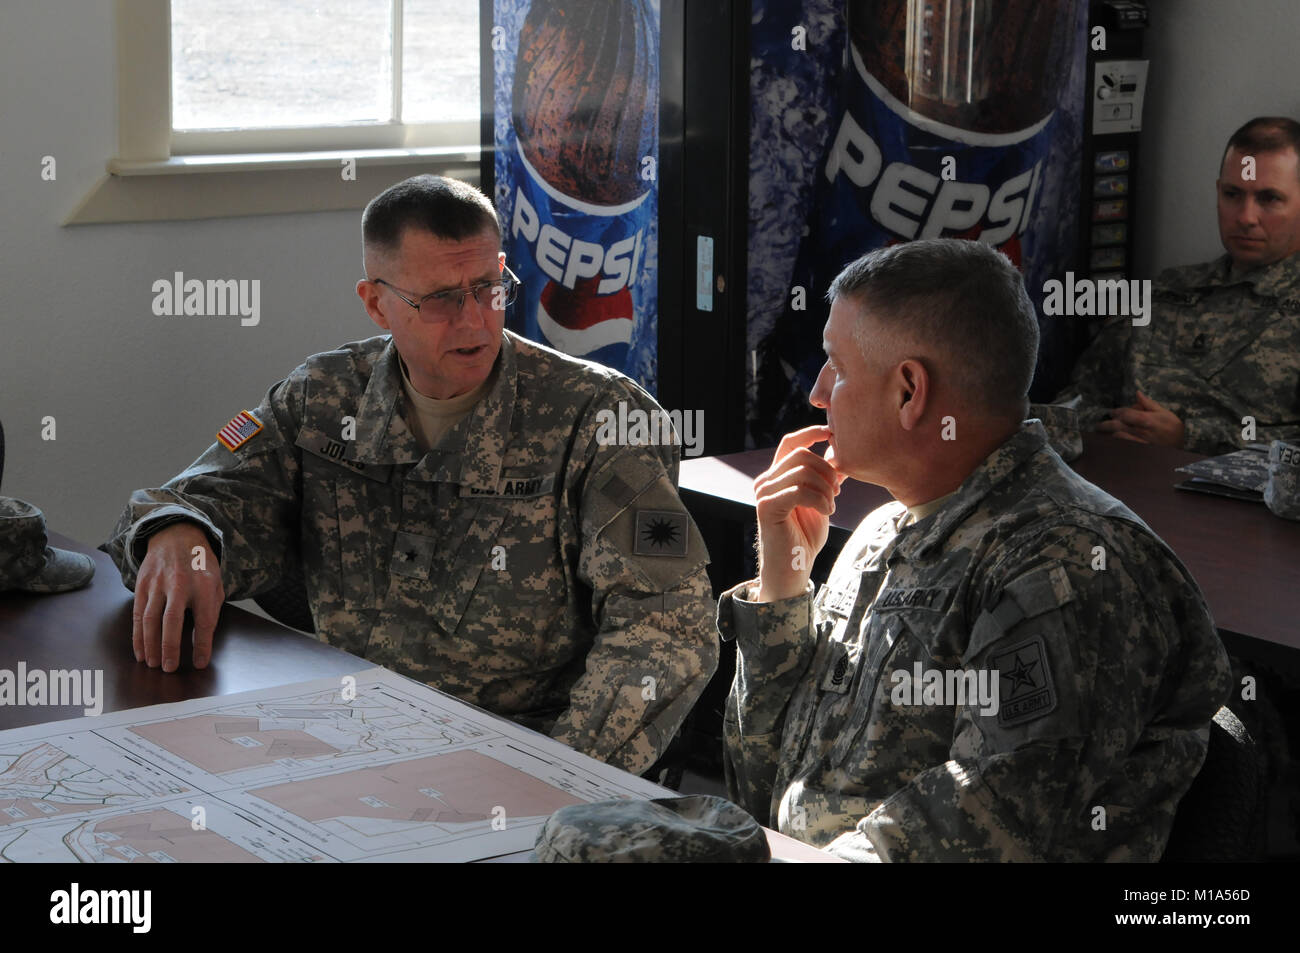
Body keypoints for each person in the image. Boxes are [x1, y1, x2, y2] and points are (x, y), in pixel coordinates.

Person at [102, 175, 717, 776]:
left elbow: (666, 629)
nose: (475, 320)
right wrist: (180, 530)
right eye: (442, 298)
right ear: (376, 303)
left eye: (489, 287)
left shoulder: (602, 420)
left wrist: (560, 782)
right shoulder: (324, 399)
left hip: (517, 757)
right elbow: (209, 500)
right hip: (345, 740)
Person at [720, 238, 1231, 861]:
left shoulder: (1066, 563)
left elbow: (986, 830)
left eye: (838, 366)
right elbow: (759, 790)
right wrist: (783, 583)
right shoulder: (885, 534)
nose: (818, 393)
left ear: (910, 391)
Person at [1052, 116, 1300, 454]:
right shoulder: (1167, 291)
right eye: (1233, 194)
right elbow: (1075, 399)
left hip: (1229, 498)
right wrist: (1112, 423)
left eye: (1269, 199)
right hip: (1113, 480)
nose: (1245, 216)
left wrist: (1190, 438)